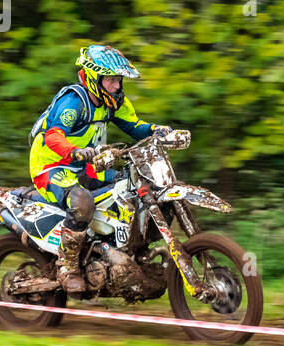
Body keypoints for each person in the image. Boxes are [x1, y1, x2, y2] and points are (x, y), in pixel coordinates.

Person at [28, 44, 175, 292]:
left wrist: (156, 130)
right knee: (82, 201)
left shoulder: (112, 101)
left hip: (88, 166)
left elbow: (134, 126)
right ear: (94, 78)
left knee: (129, 186)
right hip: (52, 165)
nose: (117, 86)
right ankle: (68, 266)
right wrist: (74, 151)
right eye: (111, 80)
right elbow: (53, 135)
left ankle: (122, 250)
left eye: (118, 80)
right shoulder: (75, 101)